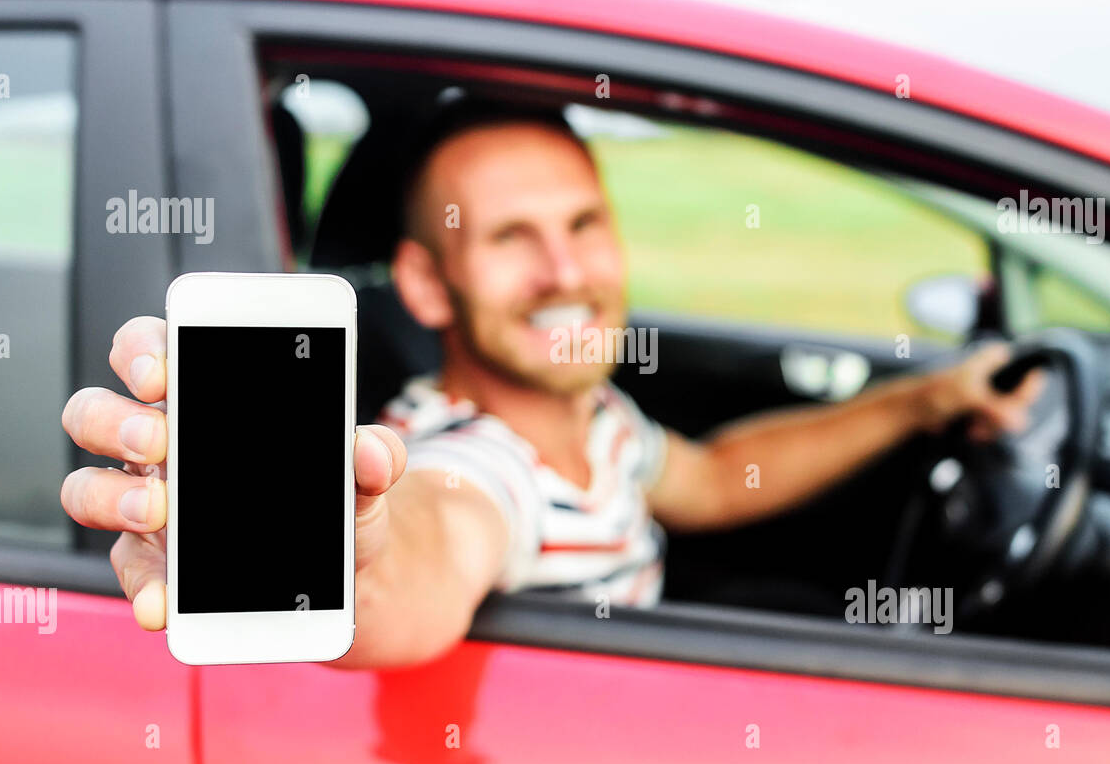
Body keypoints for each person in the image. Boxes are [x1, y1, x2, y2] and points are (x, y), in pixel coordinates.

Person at [60, 100, 1042, 669]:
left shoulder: (598, 417)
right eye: (508, 239)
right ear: (422, 284)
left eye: (581, 225)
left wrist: (925, 399)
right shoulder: (476, 460)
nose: (564, 272)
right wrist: (338, 549)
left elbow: (716, 472)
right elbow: (427, 546)